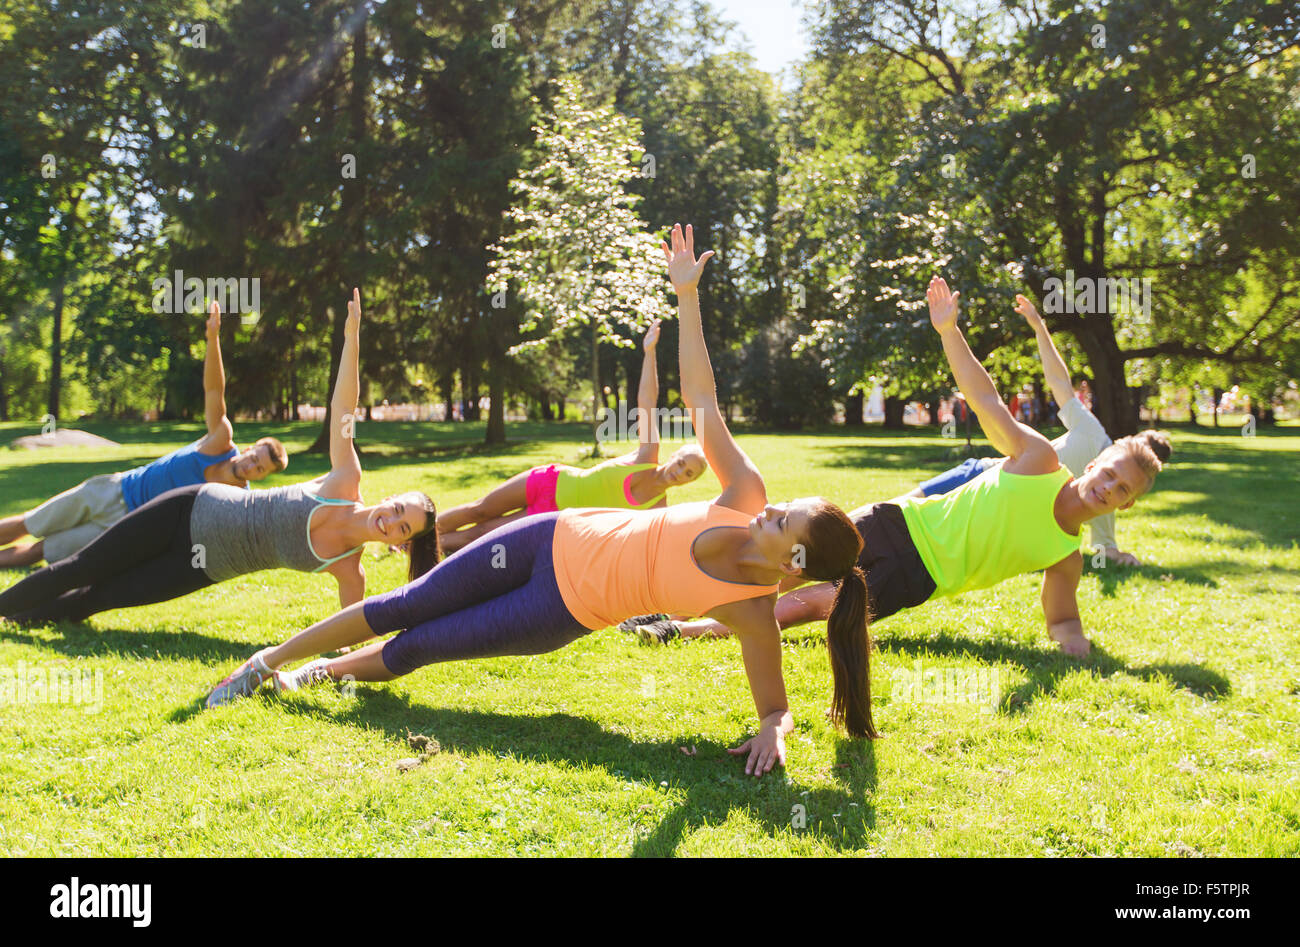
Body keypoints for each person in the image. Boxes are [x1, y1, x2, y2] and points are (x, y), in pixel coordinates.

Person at [204, 224, 874, 777]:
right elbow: (701, 400)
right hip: (547, 536)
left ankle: (320, 674)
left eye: (782, 519)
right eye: (779, 505)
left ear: (793, 556)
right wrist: (687, 299)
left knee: (420, 647)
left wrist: (775, 731)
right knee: (402, 606)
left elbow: (773, 706)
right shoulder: (744, 492)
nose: (767, 508)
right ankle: (262, 663)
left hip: (557, 608)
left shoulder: (752, 611)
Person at [626, 278, 1171, 659]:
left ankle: (685, 630)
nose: (1107, 486)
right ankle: (669, 604)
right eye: (1109, 472)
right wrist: (948, 331)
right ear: (1095, 459)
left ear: (1126, 504)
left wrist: (1077, 648)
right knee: (789, 564)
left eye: (1121, 489)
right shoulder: (1040, 460)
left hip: (921, 577)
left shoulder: (1065, 556)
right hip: (898, 520)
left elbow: (1062, 619)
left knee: (814, 604)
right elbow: (986, 403)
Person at [0, 290, 438, 624]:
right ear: (391, 497)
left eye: (402, 527)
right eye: (398, 508)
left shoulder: (349, 571)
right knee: (81, 568)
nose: (390, 520)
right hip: (189, 508)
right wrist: (352, 336)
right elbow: (345, 407)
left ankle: (18, 619)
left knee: (100, 599)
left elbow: (348, 628)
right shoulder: (345, 481)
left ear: (400, 543)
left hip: (202, 567)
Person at [0, 303, 288, 569]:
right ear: (250, 447)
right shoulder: (220, 442)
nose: (251, 465)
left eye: (259, 468)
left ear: (262, 477)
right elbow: (214, 392)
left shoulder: (236, 498)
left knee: (44, 550)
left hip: (123, 528)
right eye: (254, 456)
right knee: (29, 522)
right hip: (112, 491)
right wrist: (213, 339)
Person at [905, 294, 1169, 566]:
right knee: (896, 513)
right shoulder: (1094, 440)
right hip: (984, 476)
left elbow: (1104, 549)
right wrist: (1039, 327)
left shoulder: (1105, 495)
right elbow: (1058, 382)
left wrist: (1122, 557)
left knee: (917, 544)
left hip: (996, 516)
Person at [435, 319, 707, 554]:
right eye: (683, 462)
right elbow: (647, 400)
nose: (680, 471)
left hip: (550, 517)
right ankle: (417, 530)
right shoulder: (647, 454)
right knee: (479, 510)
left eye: (689, 473)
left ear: (689, 483)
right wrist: (649, 353)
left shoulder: (655, 509)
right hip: (550, 480)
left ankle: (418, 546)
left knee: (481, 534)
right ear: (674, 456)